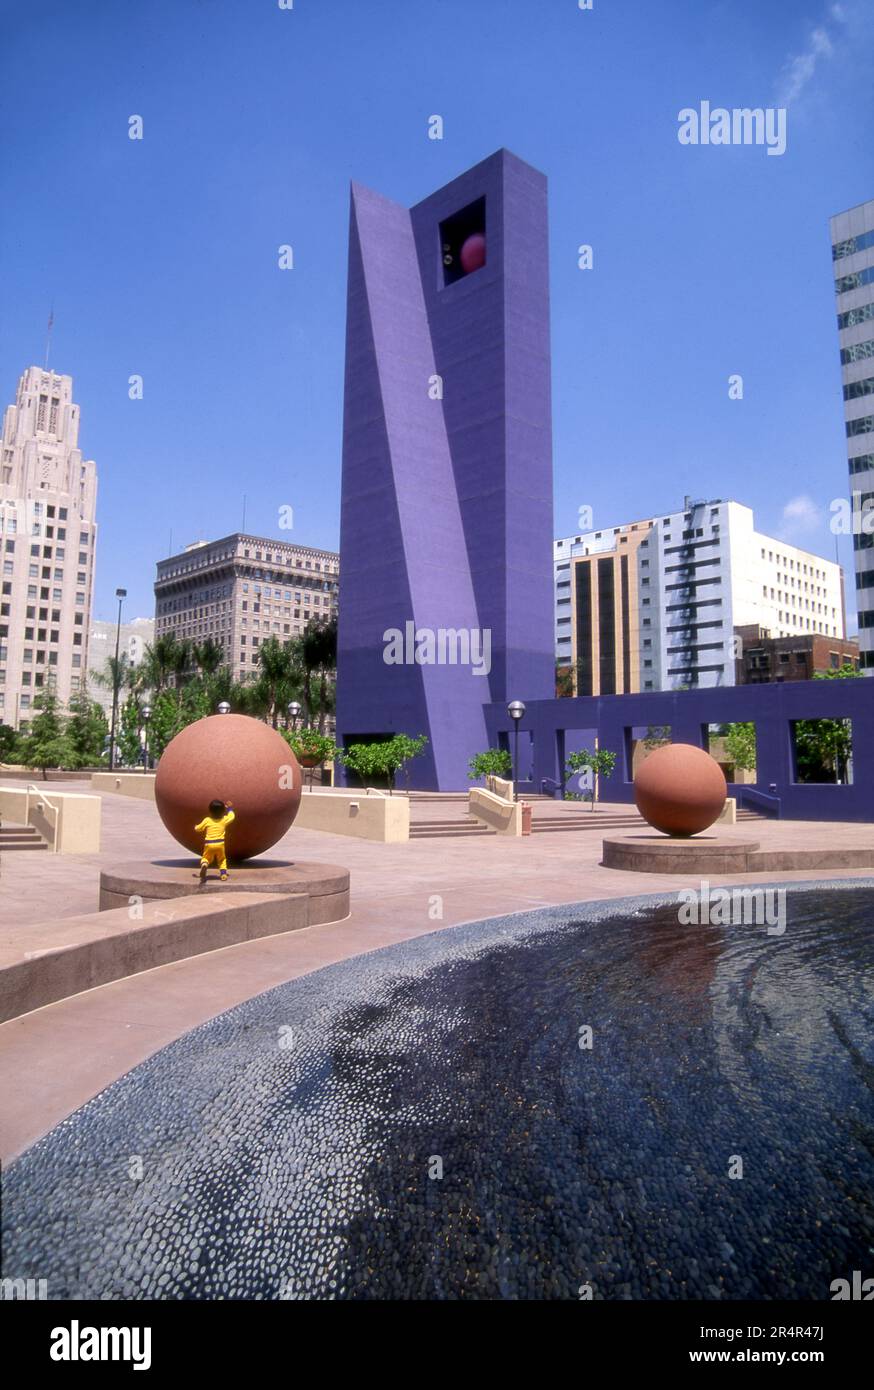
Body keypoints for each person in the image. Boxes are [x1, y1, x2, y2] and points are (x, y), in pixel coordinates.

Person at [194, 799, 235, 882]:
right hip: (220, 844)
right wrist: (229, 808)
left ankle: (205, 864)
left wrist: (195, 827)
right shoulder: (224, 819)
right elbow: (232, 817)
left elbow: (199, 829)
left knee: (206, 857)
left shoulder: (207, 820)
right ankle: (223, 874)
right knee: (222, 859)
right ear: (223, 811)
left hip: (209, 844)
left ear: (210, 811)